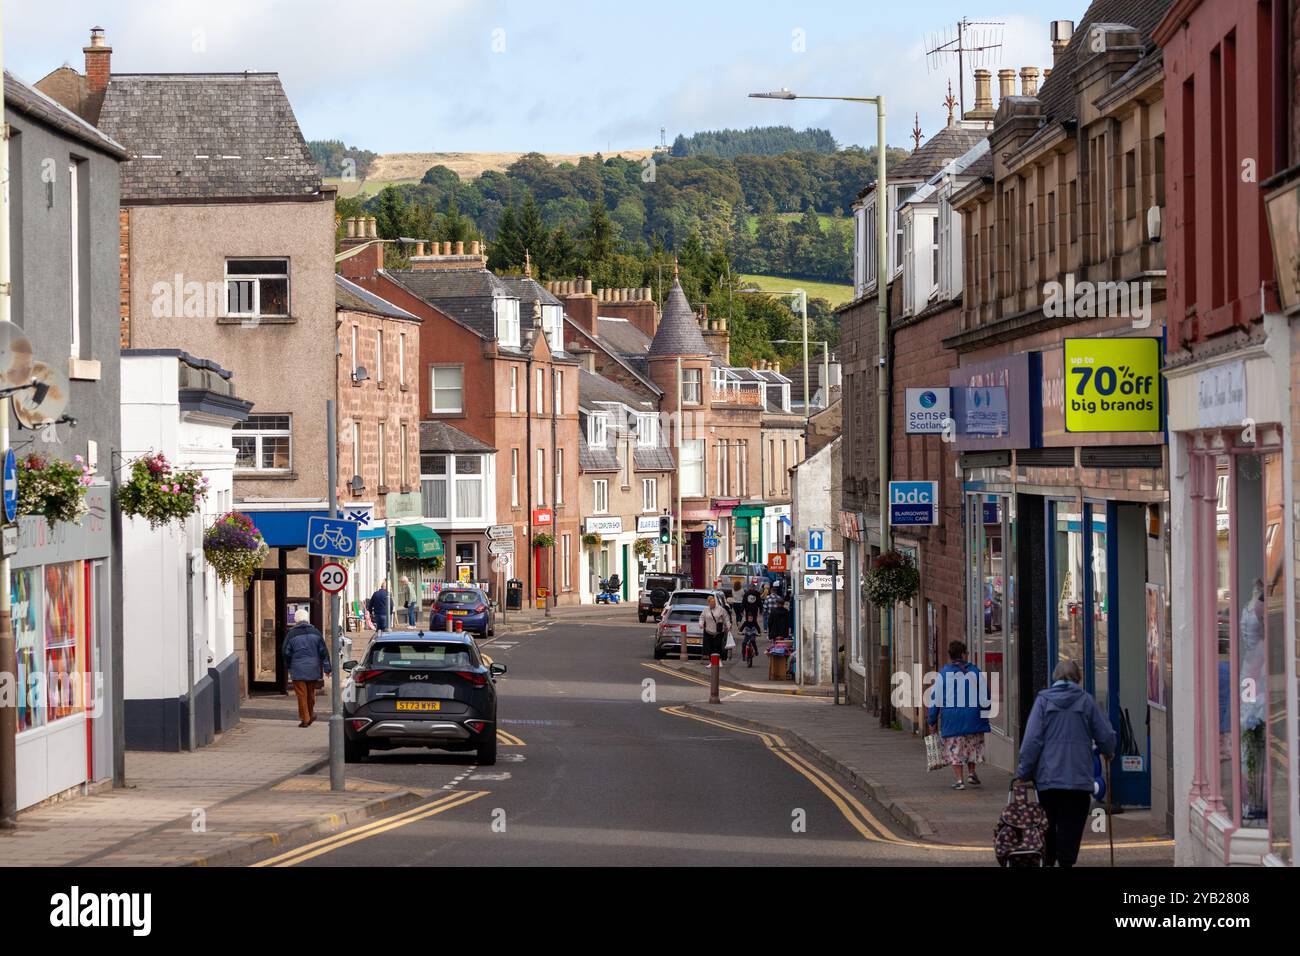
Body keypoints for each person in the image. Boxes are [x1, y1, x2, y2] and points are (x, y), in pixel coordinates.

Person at [1014, 659, 1117, 867]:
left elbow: (1031, 740)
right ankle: (1067, 861)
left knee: (1048, 825)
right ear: (1078, 678)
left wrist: (1023, 772)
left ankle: (1049, 859)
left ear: (1055, 678)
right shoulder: (1087, 701)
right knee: (1072, 826)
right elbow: (1105, 736)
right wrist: (1109, 752)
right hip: (1078, 779)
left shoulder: (1043, 702)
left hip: (1048, 780)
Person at [927, 640, 991, 791]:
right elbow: (985, 695)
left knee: (955, 748)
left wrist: (932, 720)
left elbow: (936, 699)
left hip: (952, 718)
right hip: (973, 717)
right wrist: (985, 712)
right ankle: (972, 773)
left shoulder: (944, 674)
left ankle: (959, 780)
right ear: (963, 654)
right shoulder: (975, 671)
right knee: (971, 746)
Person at [283, 609, 330, 727]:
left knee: (301, 695)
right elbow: (323, 651)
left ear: (296, 620)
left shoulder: (291, 634)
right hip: (313, 668)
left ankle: (305, 718)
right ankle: (311, 713)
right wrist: (327, 668)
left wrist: (288, 665)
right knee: (311, 694)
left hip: (297, 668)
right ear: (307, 619)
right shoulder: (316, 632)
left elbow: (286, 651)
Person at [700, 595, 731, 665]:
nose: (713, 604)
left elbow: (726, 618)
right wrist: (701, 624)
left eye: (714, 602)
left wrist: (728, 625)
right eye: (711, 602)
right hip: (709, 631)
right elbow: (702, 617)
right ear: (708, 603)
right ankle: (711, 662)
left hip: (718, 632)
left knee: (717, 646)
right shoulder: (705, 610)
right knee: (710, 647)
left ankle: (719, 660)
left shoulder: (720, 609)